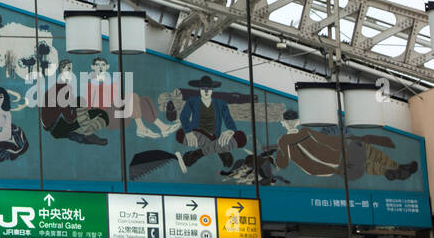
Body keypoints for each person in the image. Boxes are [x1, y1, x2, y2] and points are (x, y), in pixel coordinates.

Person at [272, 110, 418, 182]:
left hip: (338, 170)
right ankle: (394, 168)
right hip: (339, 159)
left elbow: (282, 164)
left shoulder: (286, 143)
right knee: (365, 153)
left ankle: (391, 170)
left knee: (366, 164)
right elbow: (328, 141)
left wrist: (283, 146)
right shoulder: (301, 134)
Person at [174, 75, 246, 173]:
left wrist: (230, 130)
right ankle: (221, 150)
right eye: (203, 88)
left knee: (241, 137)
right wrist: (188, 132)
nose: (206, 91)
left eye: (209, 89)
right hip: (198, 134)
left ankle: (199, 153)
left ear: (212, 90)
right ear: (199, 89)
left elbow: (228, 120)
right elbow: (184, 117)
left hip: (214, 136)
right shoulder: (192, 101)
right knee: (180, 134)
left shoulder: (221, 103)